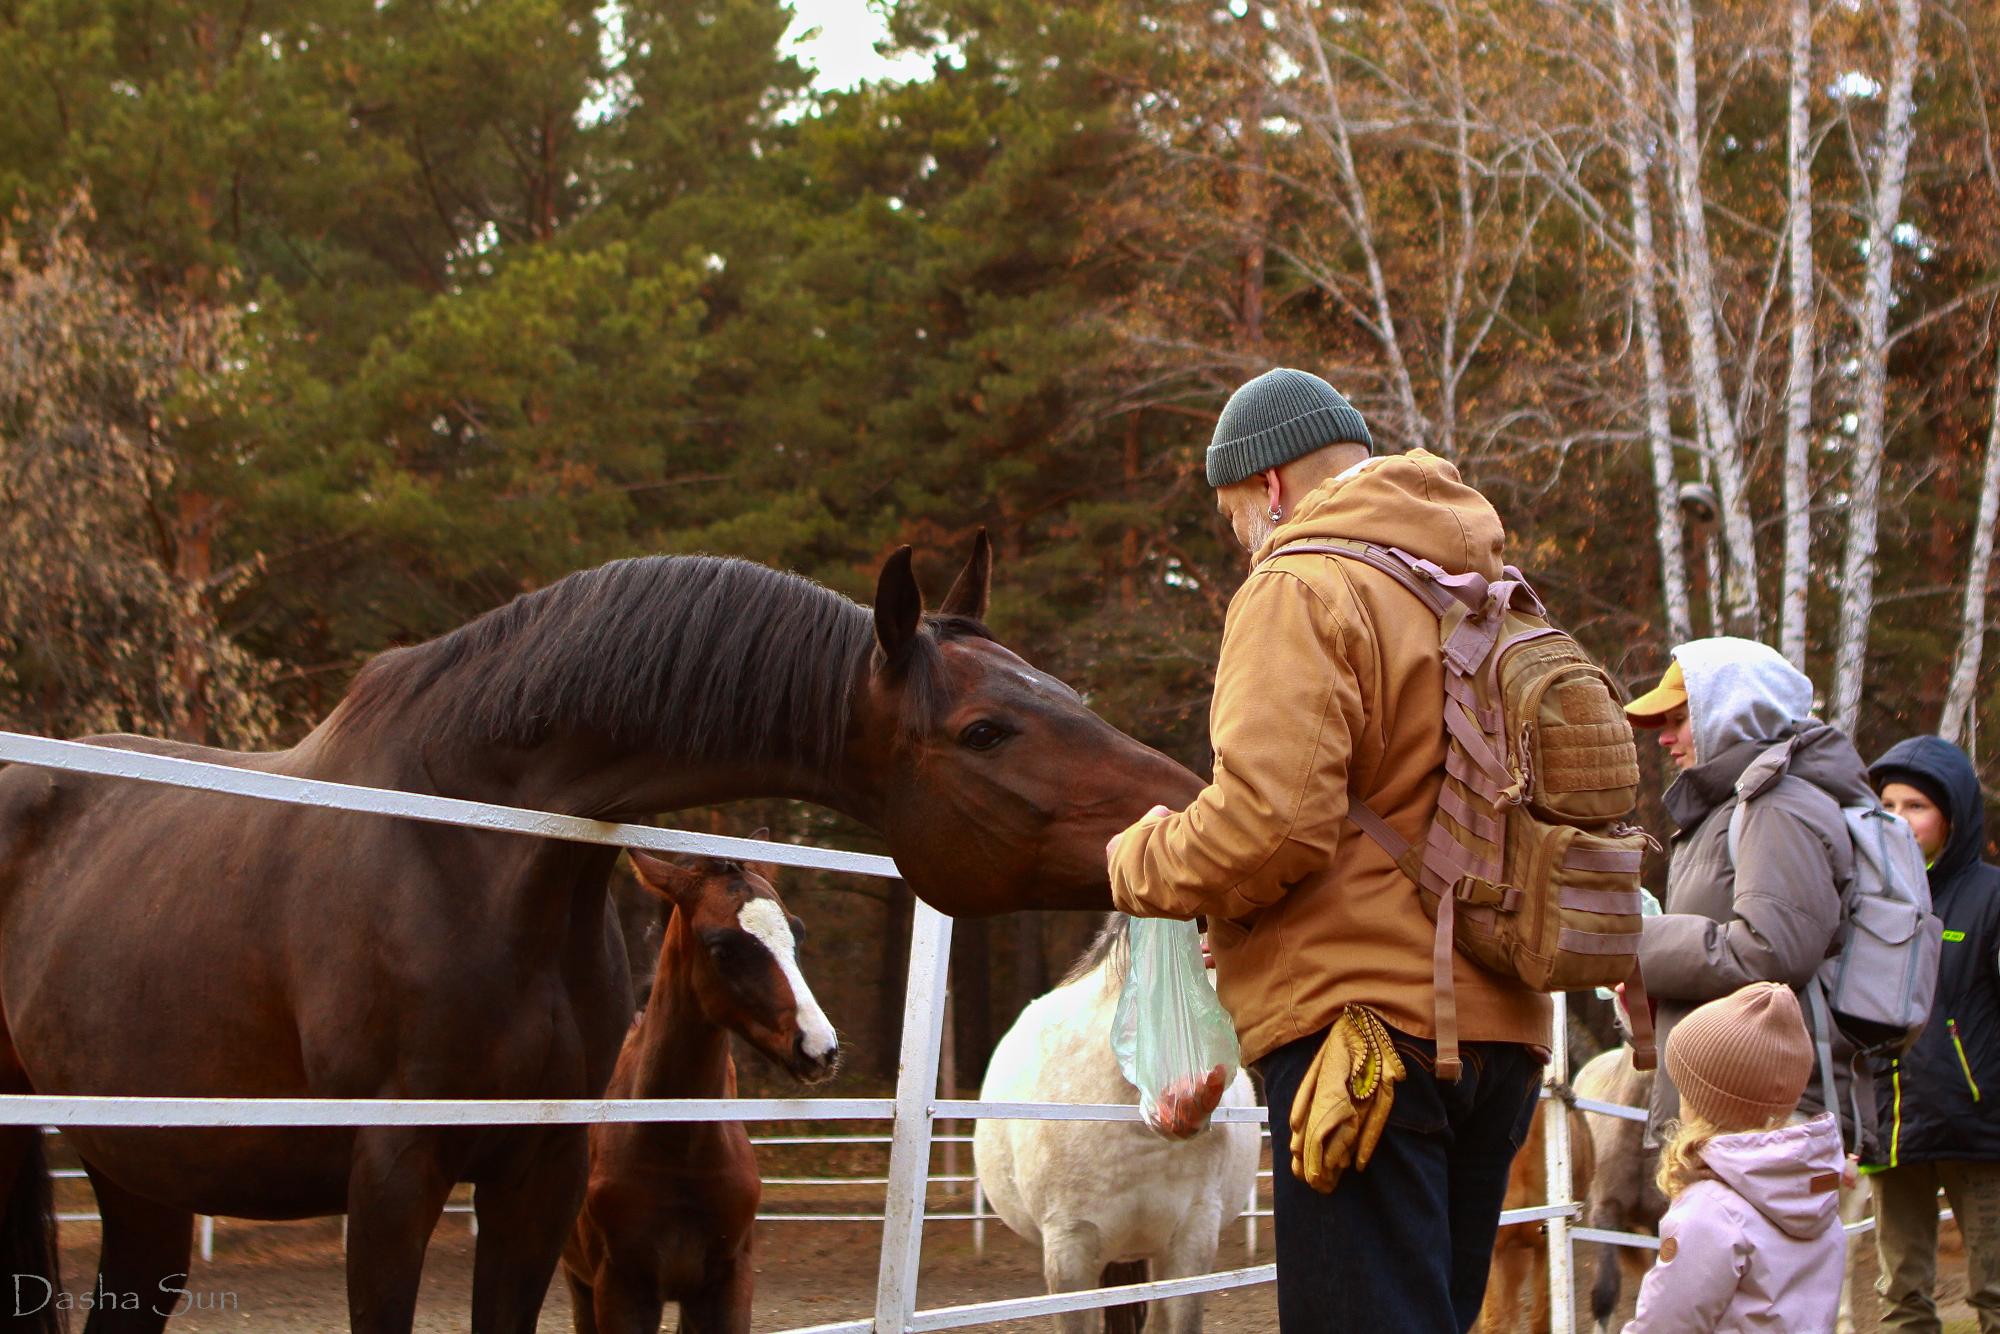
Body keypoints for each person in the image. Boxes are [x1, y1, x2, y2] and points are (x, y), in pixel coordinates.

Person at [1106, 367, 1548, 1333]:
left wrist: (1137, 861)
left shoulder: (1299, 584)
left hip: (1364, 1045)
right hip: (1505, 1035)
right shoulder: (1490, 590)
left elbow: (1269, 826)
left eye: (1233, 522)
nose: (1241, 546)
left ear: (1268, 488)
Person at [1623, 638, 1876, 1157]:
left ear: (1731, 713)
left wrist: (1631, 940)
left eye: (1679, 719)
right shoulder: (1731, 809)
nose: (1664, 739)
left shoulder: (1779, 806)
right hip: (1736, 1106)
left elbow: (1770, 951)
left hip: (1767, 1114)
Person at [1864, 735, 2000, 1333]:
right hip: (1892, 1127)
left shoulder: (1991, 896)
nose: (1898, 819)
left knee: (1995, 1290)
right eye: (1887, 805)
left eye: (1915, 806)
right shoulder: (1863, 898)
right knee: (1900, 1298)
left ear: (1953, 814)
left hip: (1979, 1127)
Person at [1623, 982, 1849, 1333]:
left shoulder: (1708, 1212)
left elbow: (1663, 1325)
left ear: (1702, 1102)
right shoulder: (1814, 1195)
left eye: (1684, 1086)